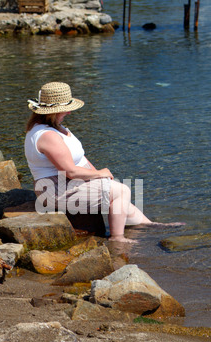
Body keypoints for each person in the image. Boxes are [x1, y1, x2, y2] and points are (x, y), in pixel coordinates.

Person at [25, 82, 183, 243]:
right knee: (121, 191)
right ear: (53, 111)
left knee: (115, 191)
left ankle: (149, 225)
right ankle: (117, 238)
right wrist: (101, 173)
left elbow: (80, 159)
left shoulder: (55, 127)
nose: (70, 112)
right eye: (66, 108)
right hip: (54, 190)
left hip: (64, 183)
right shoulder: (47, 136)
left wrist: (100, 178)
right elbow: (70, 171)